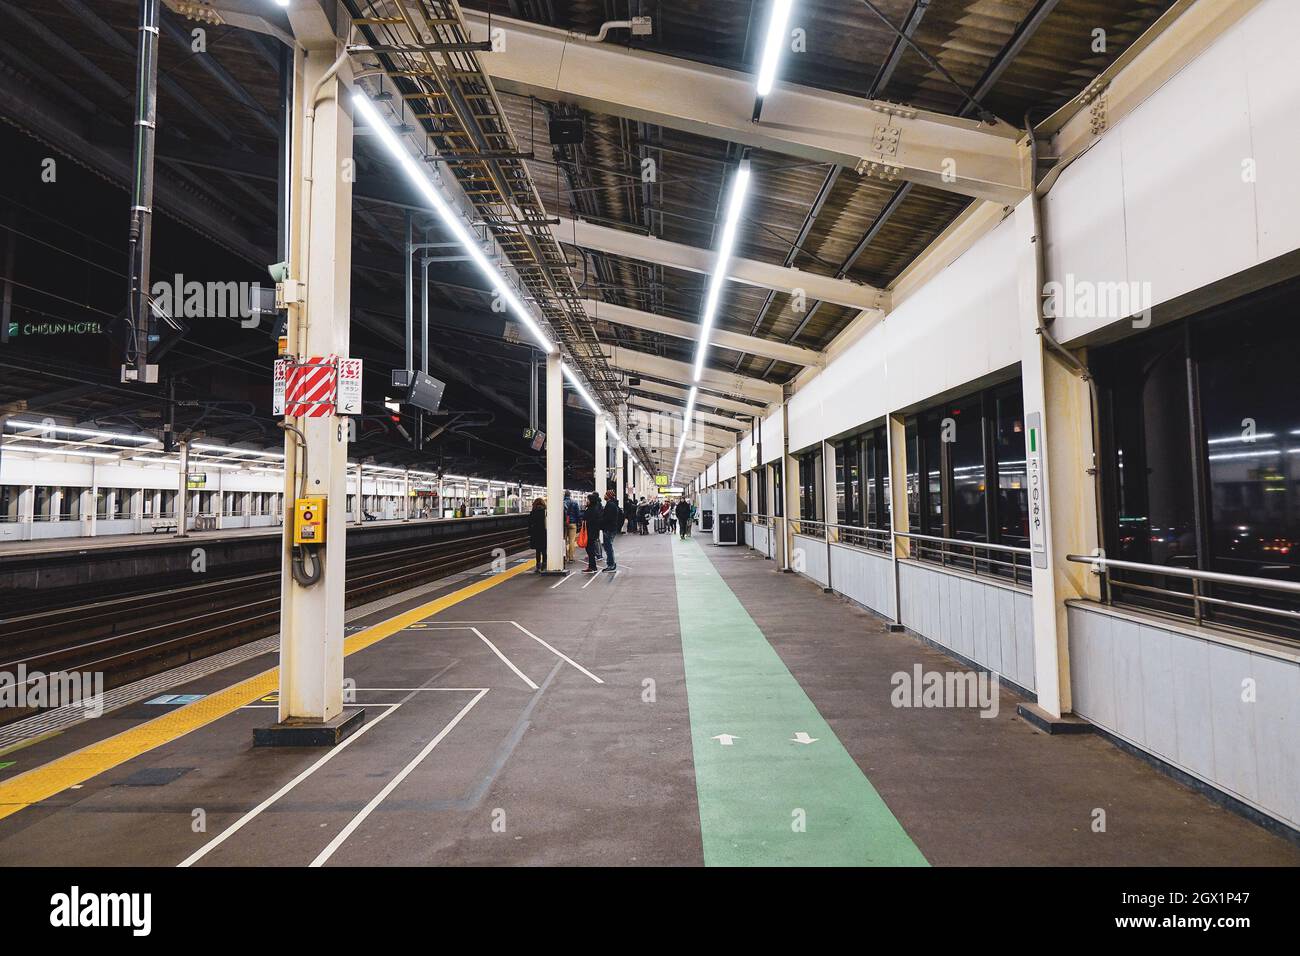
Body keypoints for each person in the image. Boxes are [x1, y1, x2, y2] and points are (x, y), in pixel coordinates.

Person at [581, 492, 603, 573]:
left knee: (590, 550)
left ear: (591, 500)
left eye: (588, 500)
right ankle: (592, 566)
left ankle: (592, 567)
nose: (587, 501)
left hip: (590, 532)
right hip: (592, 532)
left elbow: (586, 518)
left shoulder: (592, 509)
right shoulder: (594, 508)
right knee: (590, 549)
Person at [600, 489, 621, 571]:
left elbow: (608, 518)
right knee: (608, 547)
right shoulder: (612, 504)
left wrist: (601, 522)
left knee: (608, 547)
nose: (604, 496)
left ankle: (611, 564)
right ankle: (610, 564)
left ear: (608, 496)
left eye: (605, 494)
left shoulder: (610, 505)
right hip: (610, 528)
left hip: (609, 529)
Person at [527, 497, 547, 571]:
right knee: (544, 550)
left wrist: (530, 533)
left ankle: (538, 566)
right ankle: (544, 565)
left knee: (538, 551)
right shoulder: (545, 512)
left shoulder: (532, 512)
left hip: (535, 534)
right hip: (544, 533)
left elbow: (529, 524)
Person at [563, 490, 581, 563]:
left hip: (563, 524)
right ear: (570, 495)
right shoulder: (574, 502)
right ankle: (571, 558)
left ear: (564, 495)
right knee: (572, 541)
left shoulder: (561, 502)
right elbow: (578, 514)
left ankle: (564, 556)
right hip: (572, 524)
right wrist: (579, 522)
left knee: (564, 541)